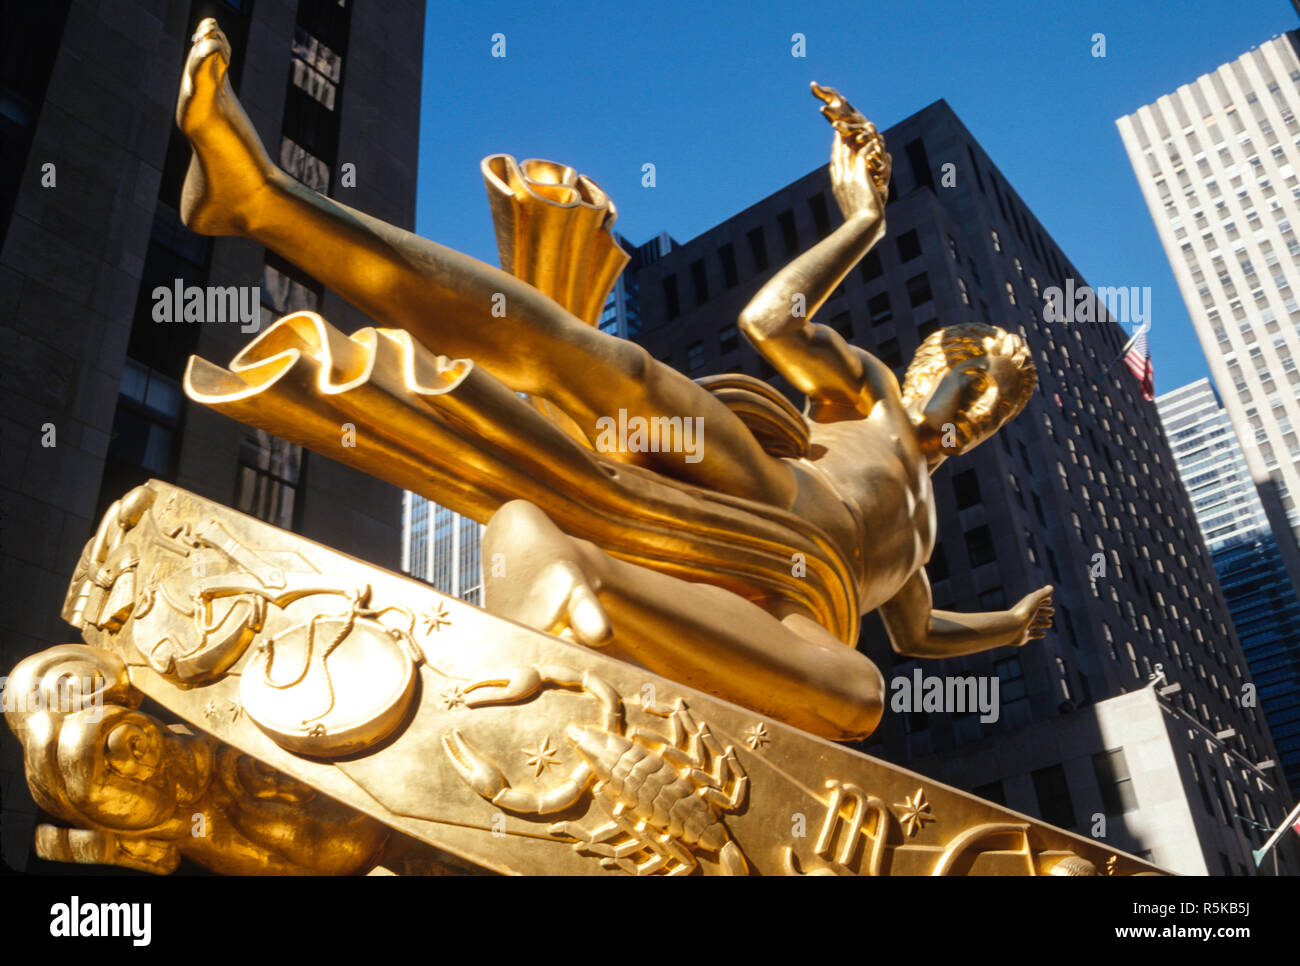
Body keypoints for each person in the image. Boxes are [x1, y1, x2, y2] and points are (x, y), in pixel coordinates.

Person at [178, 19, 1052, 741]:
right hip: (765, 490)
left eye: (1000, 407)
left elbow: (920, 631)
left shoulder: (922, 536)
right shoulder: (868, 391)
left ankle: (576, 581)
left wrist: (1013, 625)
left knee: (859, 694)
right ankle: (260, 199)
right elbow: (770, 322)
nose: (983, 409)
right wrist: (863, 221)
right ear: (936, 364)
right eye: (978, 379)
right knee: (612, 368)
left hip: (802, 601)